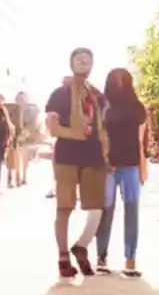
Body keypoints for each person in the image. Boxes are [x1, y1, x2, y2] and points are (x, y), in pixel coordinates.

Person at [45, 48, 111, 278]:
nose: (84, 62)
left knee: (96, 208)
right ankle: (63, 257)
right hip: (66, 155)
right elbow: (51, 128)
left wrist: (106, 152)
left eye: (88, 59)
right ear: (71, 62)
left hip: (93, 156)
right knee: (64, 207)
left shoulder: (97, 95)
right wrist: (76, 133)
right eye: (79, 59)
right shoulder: (60, 93)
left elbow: (103, 127)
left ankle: (81, 246)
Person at [95, 68, 149, 278]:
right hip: (108, 165)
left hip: (131, 165)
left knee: (132, 210)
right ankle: (101, 256)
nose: (119, 84)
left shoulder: (137, 108)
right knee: (105, 211)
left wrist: (143, 166)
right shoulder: (102, 104)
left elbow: (140, 138)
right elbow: (99, 134)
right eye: (115, 80)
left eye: (123, 80)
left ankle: (130, 258)